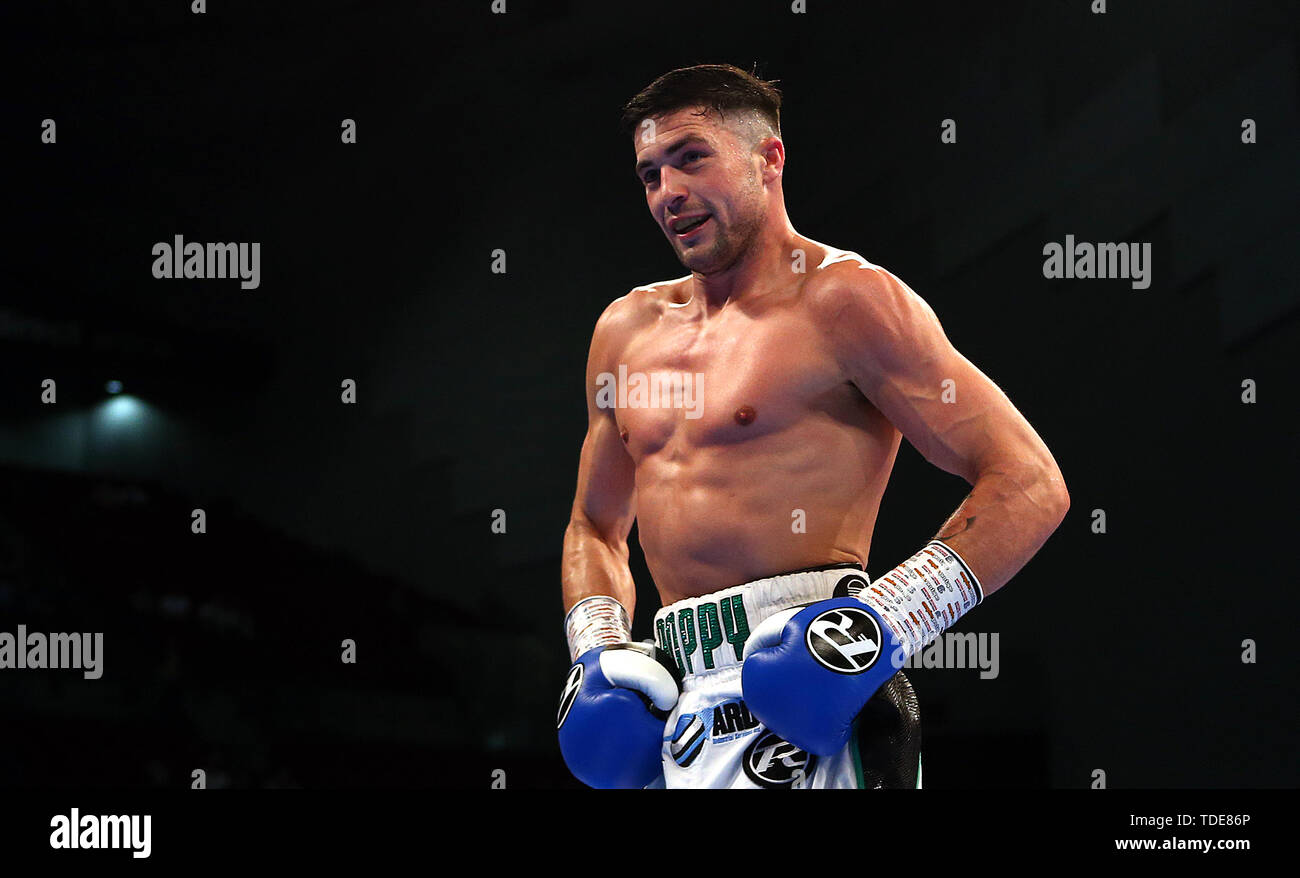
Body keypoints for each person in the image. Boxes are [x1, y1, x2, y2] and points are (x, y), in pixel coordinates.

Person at [556, 64, 1069, 789]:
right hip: (680, 712)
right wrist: (597, 652)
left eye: (691, 157)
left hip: (817, 692)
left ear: (770, 159)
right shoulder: (624, 331)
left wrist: (879, 626)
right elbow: (595, 526)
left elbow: (1030, 481)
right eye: (650, 175)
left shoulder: (847, 302)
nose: (668, 193)